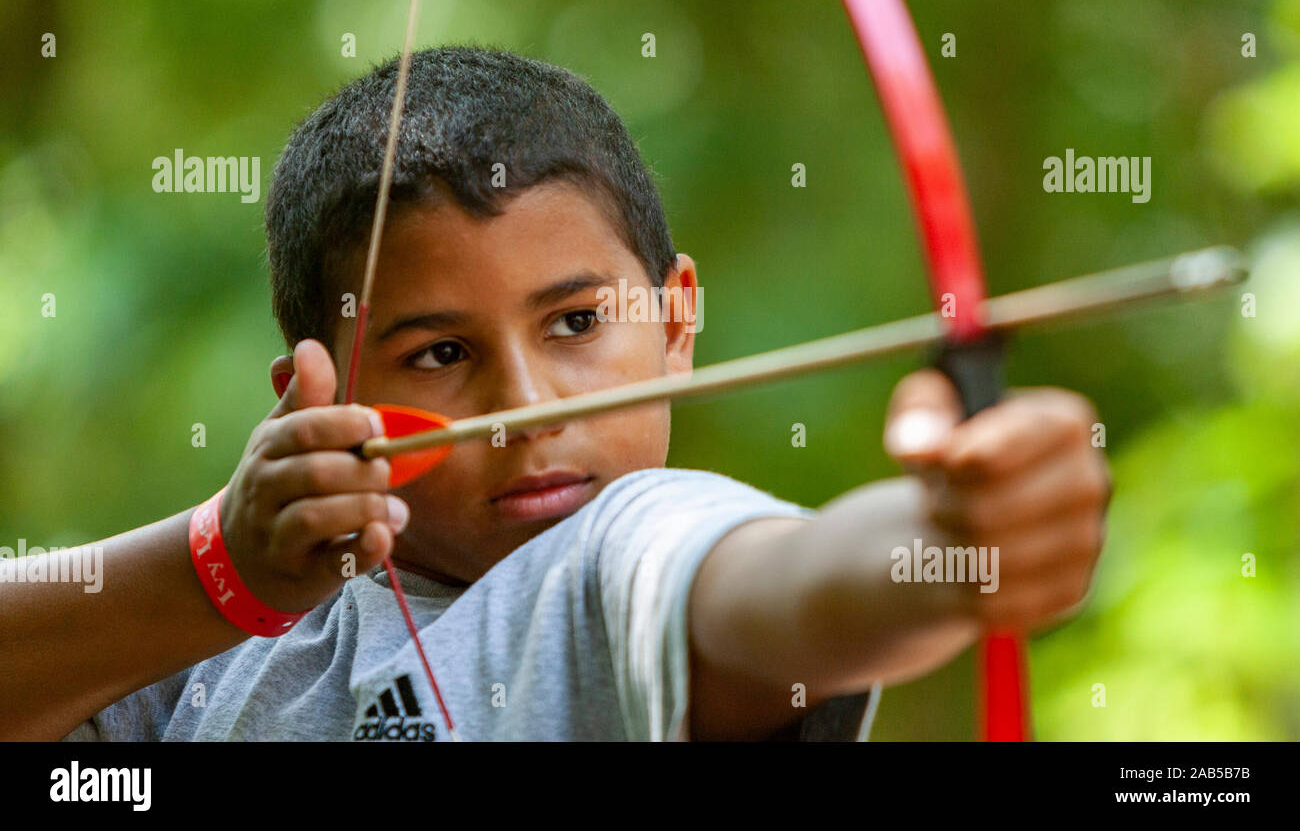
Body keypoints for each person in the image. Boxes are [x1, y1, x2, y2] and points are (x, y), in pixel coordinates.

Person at [2, 46, 1109, 740]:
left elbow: (778, 587)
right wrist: (223, 575)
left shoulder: (622, 549)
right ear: (312, 393)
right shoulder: (201, 654)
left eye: (577, 323)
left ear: (676, 321)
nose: (531, 406)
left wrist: (941, 542)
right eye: (438, 352)